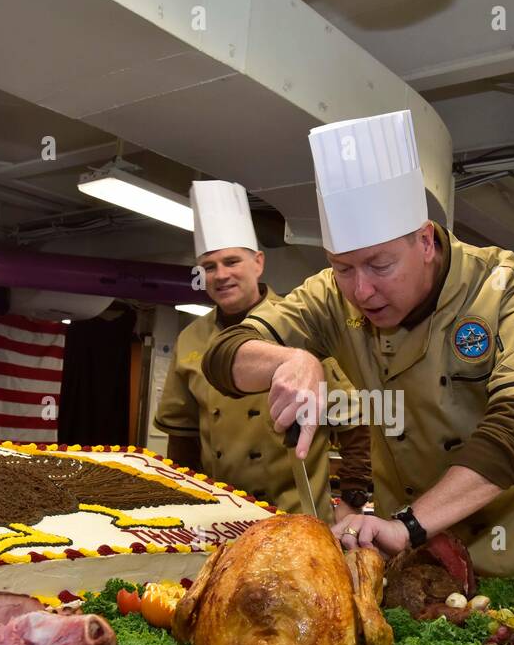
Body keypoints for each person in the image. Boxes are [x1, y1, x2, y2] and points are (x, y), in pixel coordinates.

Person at [200, 111, 514, 580]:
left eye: (379, 265)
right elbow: (224, 354)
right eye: (343, 268)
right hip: (407, 558)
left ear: (425, 240)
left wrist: (411, 524)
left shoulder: (506, 285)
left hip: (511, 556)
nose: (360, 291)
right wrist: (290, 357)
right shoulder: (329, 295)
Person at [154, 180, 371, 520]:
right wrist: (184, 503)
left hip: (295, 515)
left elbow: (354, 422)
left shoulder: (302, 325)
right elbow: (183, 436)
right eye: (209, 267)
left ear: (258, 262)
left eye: (231, 262)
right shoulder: (191, 339)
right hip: (220, 516)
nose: (221, 275)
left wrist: (353, 499)